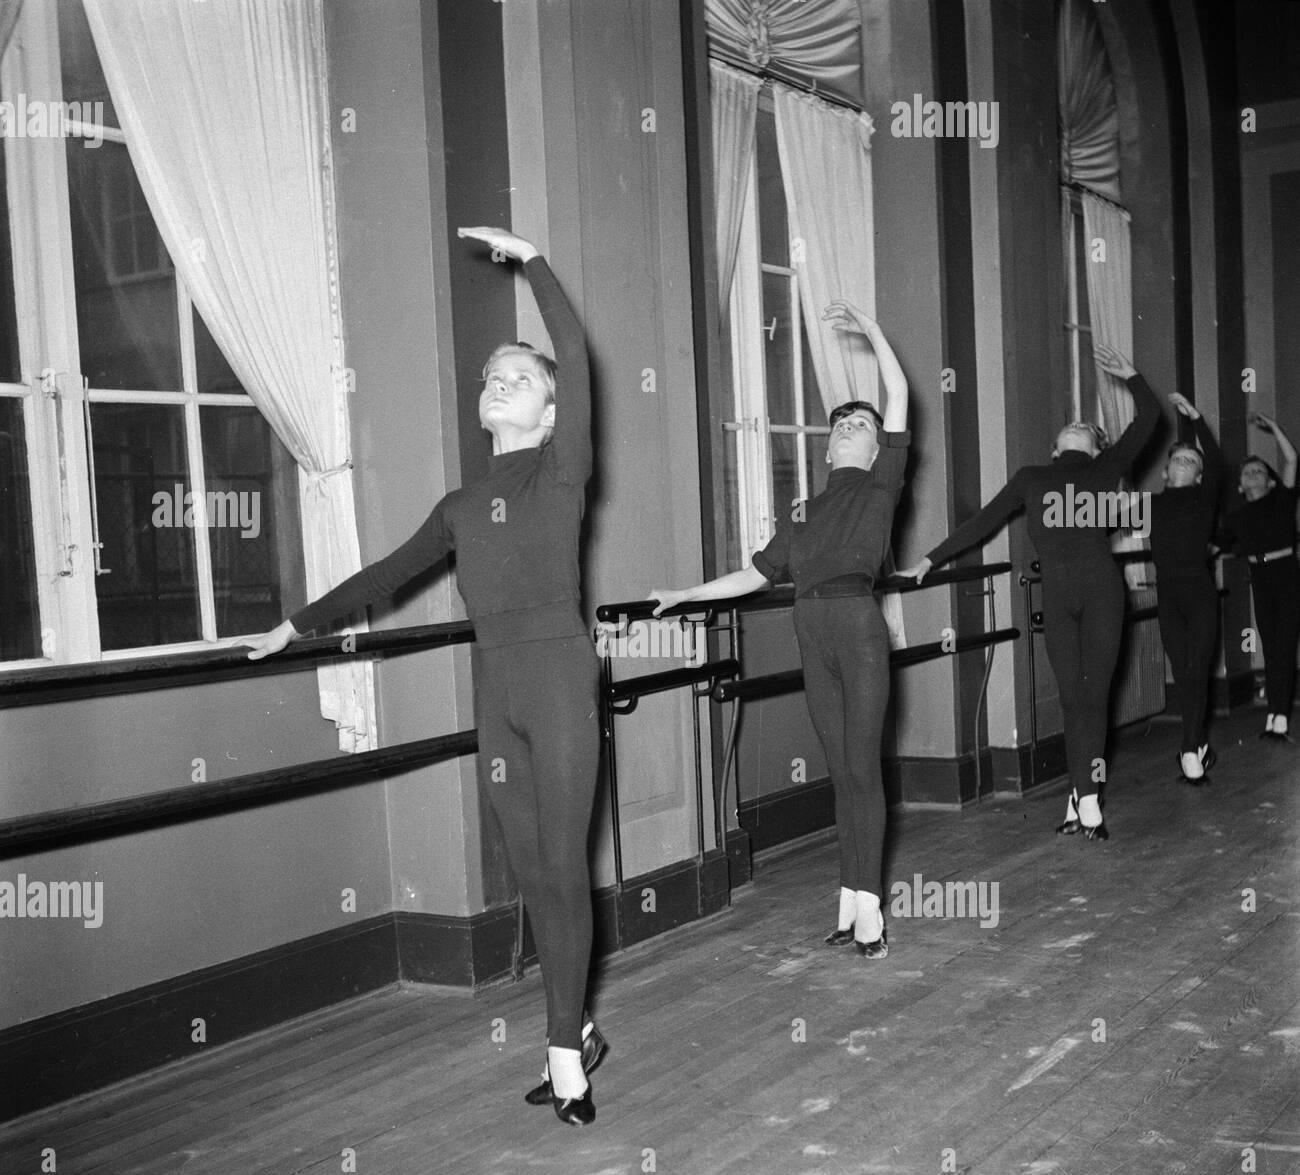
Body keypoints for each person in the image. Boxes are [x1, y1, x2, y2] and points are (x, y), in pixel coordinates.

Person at [242, 227, 606, 1127]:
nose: (499, 382)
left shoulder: (561, 474)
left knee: (565, 867)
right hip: (499, 692)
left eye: (518, 376)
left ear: (551, 414)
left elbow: (580, 362)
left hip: (559, 677)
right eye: (492, 375)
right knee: (533, 874)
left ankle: (566, 1057)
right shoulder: (458, 505)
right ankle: (578, 1028)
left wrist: (531, 262)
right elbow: (383, 576)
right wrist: (297, 623)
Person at [651, 303, 909, 958]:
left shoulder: (880, 487)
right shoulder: (802, 512)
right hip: (811, 630)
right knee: (841, 771)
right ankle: (851, 901)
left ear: (880, 448)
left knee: (863, 767)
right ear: (829, 444)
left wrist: (872, 332)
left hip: (857, 627)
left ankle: (872, 906)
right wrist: (686, 593)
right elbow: (754, 574)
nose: (852, 427)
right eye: (845, 422)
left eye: (863, 424)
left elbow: (900, 393)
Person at [900, 347, 1159, 840]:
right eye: (1071, 426)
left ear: (1094, 443)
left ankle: (1087, 797)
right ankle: (1081, 794)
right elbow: (981, 523)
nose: (1078, 426)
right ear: (1056, 447)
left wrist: (1132, 376)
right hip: (1059, 596)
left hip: (1104, 592)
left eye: (1086, 426)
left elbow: (1149, 419)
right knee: (1072, 697)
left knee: (1095, 696)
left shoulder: (1105, 468)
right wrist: (931, 558)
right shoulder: (1031, 478)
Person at [1137, 393, 1224, 783]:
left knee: (1196, 667)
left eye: (1192, 461)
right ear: (1166, 472)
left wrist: (1197, 419)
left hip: (1200, 592)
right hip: (1168, 595)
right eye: (1178, 459)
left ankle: (1190, 749)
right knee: (1183, 671)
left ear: (1199, 475)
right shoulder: (1151, 505)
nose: (1184, 464)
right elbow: (1100, 514)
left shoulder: (1204, 500)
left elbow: (1220, 463)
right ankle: (1198, 743)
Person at [1218, 414, 1299, 741]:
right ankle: (1273, 715)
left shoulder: (1282, 499)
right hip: (1261, 579)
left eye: (1260, 471)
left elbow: (1292, 458)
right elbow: (1218, 546)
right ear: (1241, 485)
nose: (1254, 473)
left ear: (1269, 481)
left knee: (1284, 645)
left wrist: (1274, 428)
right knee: (1270, 646)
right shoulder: (1236, 517)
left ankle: (1280, 717)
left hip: (1288, 576)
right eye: (1248, 472)